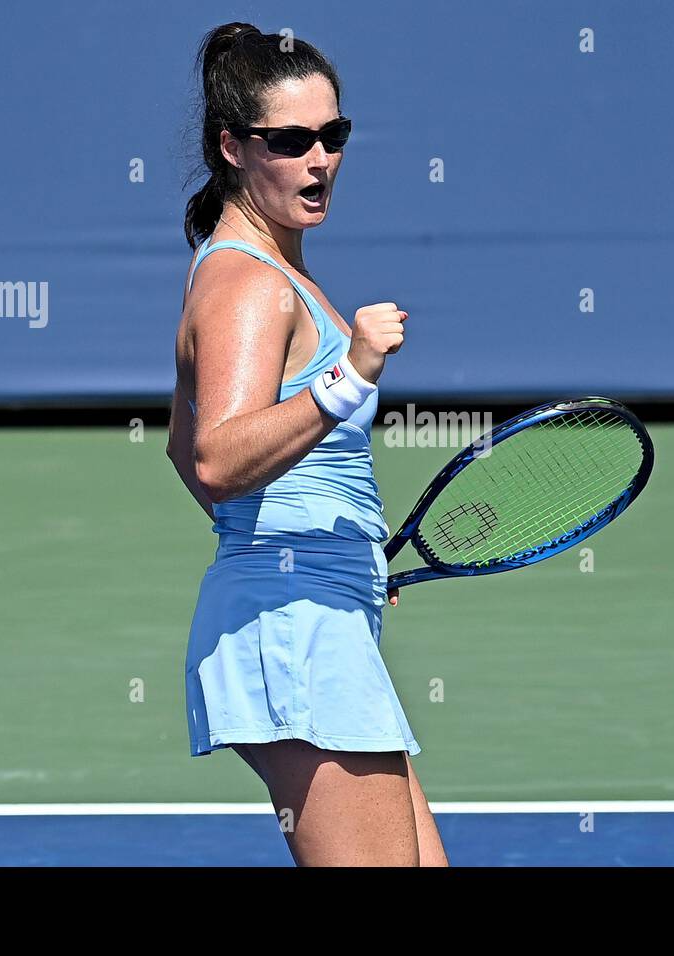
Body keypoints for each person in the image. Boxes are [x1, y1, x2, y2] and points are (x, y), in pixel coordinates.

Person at [166, 22, 448, 867]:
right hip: (295, 632)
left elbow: (180, 448)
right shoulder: (249, 285)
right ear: (232, 148)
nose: (318, 159)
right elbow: (216, 458)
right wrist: (349, 376)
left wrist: (331, 544)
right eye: (290, 141)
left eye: (334, 135)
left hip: (312, 608)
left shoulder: (256, 270)